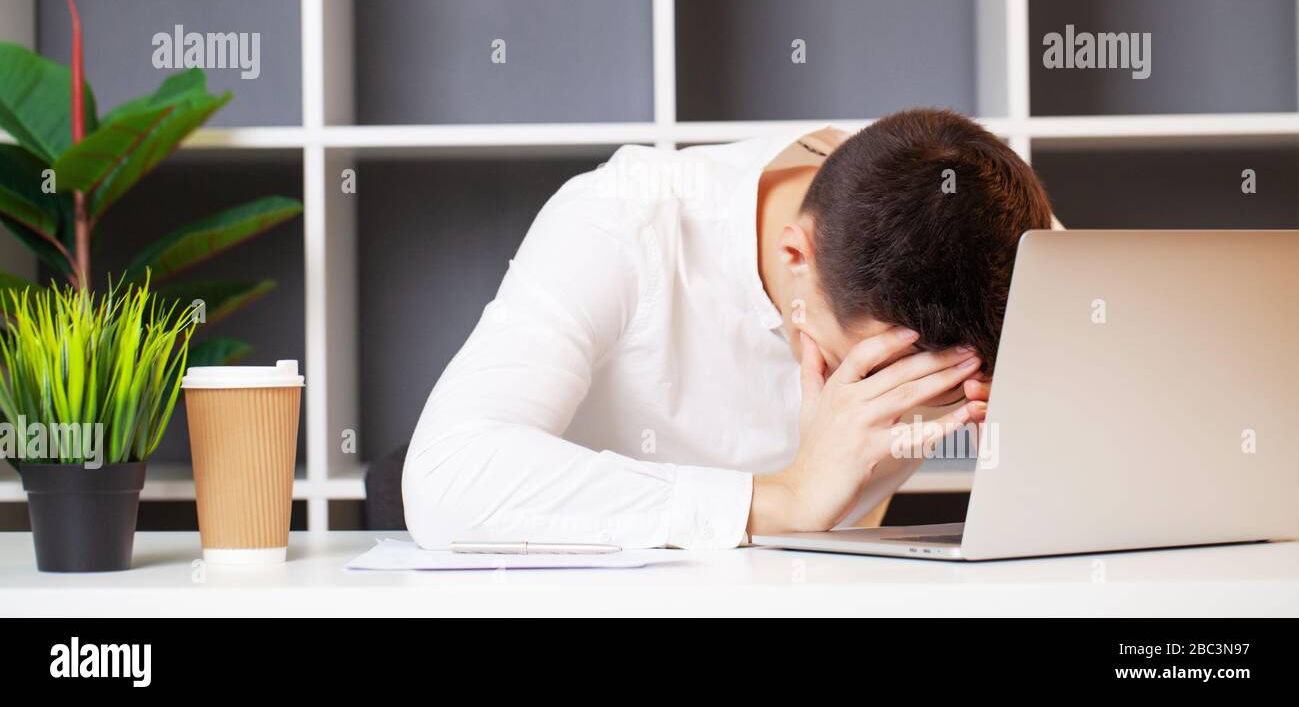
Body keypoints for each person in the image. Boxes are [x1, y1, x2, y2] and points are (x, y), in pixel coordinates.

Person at [403, 108, 1056, 549]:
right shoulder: (622, 223)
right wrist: (784, 502)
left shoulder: (965, 213)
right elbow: (445, 478)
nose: (911, 400)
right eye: (877, 374)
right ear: (794, 254)